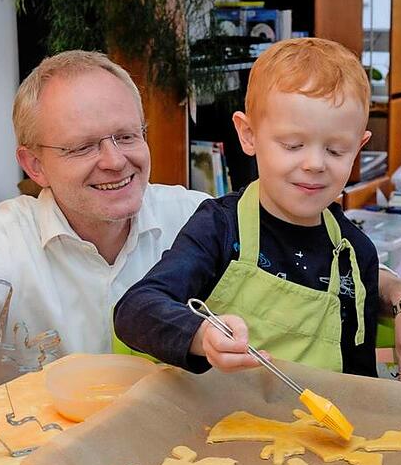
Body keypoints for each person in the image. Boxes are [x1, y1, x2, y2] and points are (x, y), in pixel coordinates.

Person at [0, 50, 401, 444]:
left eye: (127, 136)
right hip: (40, 462)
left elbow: (323, 263)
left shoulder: (190, 211)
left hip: (173, 449)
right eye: (82, 147)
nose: (114, 161)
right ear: (34, 164)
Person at [114, 38, 379, 377]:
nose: (315, 164)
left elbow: (361, 380)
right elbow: (135, 310)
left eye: (336, 150)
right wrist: (202, 336)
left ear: (359, 147)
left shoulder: (356, 255)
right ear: (248, 134)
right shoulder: (219, 228)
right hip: (216, 410)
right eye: (293, 145)